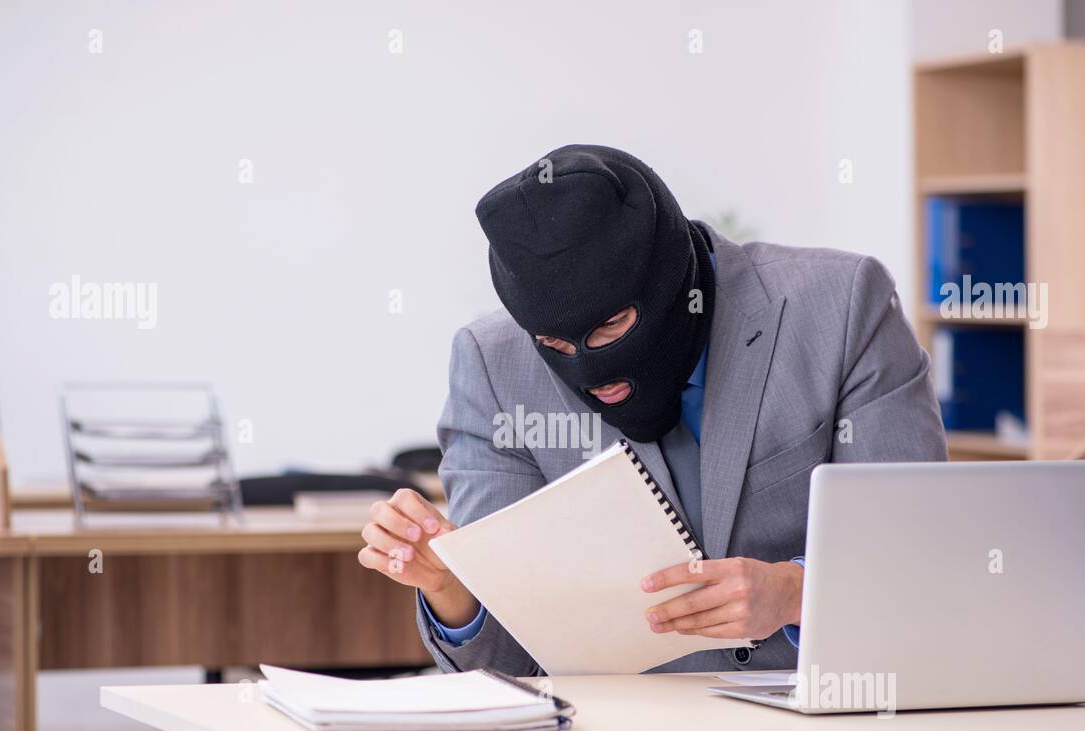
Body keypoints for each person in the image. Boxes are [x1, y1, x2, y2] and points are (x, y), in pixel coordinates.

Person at [358, 144, 946, 676]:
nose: (592, 369)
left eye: (613, 325)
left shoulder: (841, 308)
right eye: (557, 346)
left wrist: (795, 592)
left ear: (669, 277)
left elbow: (924, 554)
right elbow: (509, 661)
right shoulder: (494, 366)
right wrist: (451, 589)